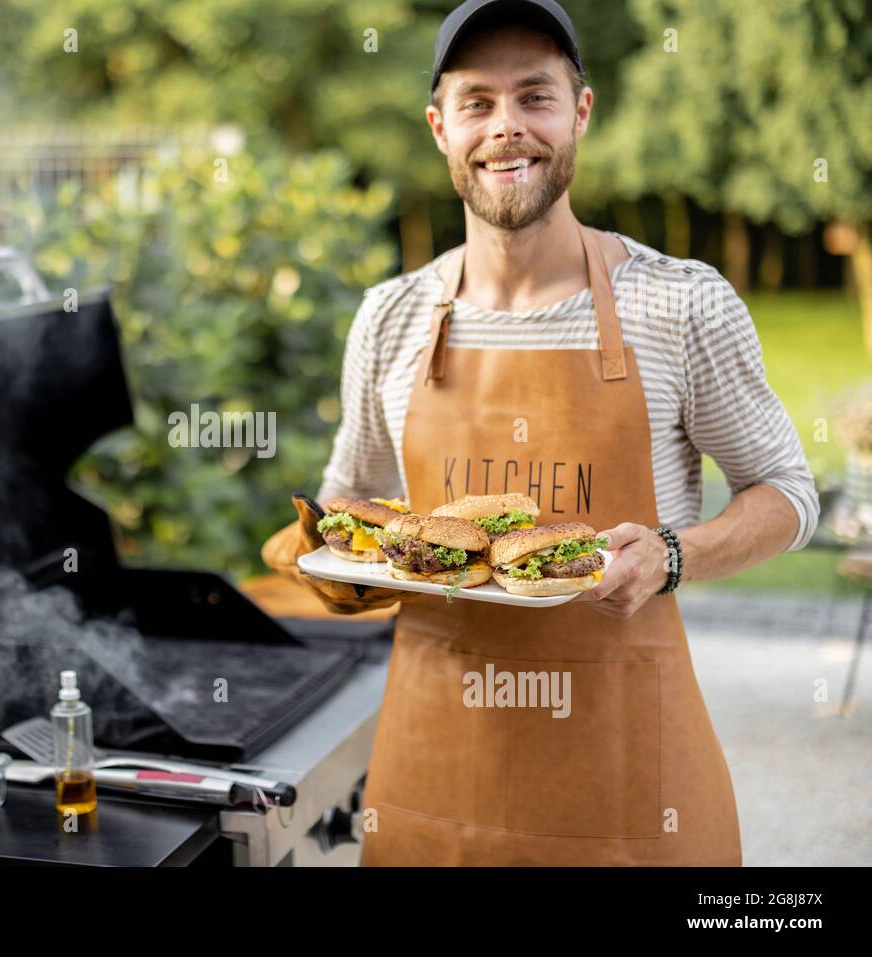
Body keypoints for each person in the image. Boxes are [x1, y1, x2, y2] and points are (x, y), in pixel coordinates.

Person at [261, 0, 818, 865]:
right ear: (439, 127)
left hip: (628, 780)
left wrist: (673, 557)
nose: (506, 128)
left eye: (536, 96)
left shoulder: (681, 302)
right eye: (477, 102)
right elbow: (348, 502)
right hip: (436, 770)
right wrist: (329, 563)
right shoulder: (390, 317)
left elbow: (788, 490)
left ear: (581, 112)